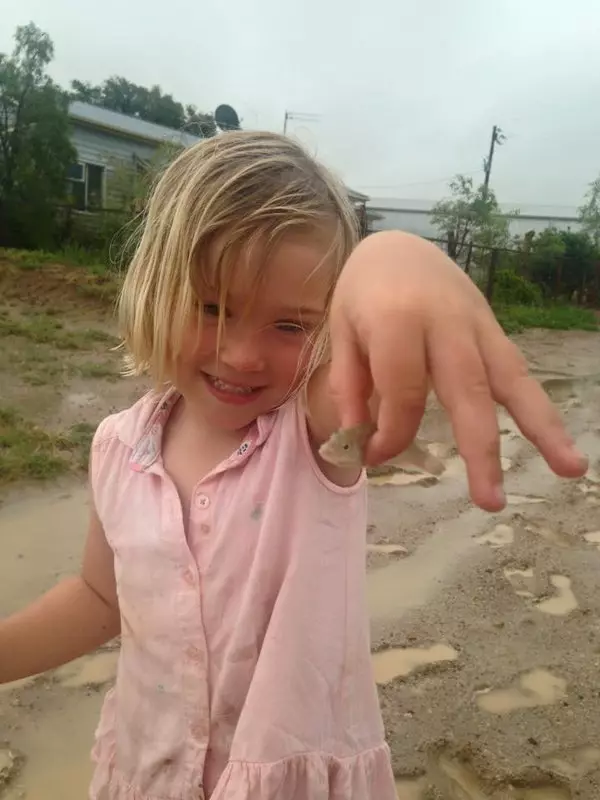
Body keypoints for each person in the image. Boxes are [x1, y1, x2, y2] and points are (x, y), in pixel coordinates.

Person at [0, 131, 586, 800]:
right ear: (154, 285)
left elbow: (373, 326)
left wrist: (392, 255)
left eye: (291, 325)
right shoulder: (116, 447)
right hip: (146, 771)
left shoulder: (311, 429)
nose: (244, 354)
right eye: (213, 309)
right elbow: (101, 598)